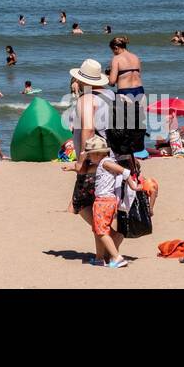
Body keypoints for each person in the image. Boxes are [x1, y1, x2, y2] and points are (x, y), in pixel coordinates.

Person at [77, 135, 133, 268]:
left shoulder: (106, 163)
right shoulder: (104, 163)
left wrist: (132, 184)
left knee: (101, 231)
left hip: (104, 202)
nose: (89, 158)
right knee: (99, 229)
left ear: (98, 154)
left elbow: (124, 171)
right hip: (106, 201)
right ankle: (99, 259)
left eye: (90, 155)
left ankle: (117, 257)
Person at [66, 59, 111, 213]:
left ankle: (106, 236)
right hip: (110, 153)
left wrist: (83, 158)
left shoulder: (87, 98)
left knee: (83, 206)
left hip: (93, 157)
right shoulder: (111, 94)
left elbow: (88, 129)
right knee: (103, 201)